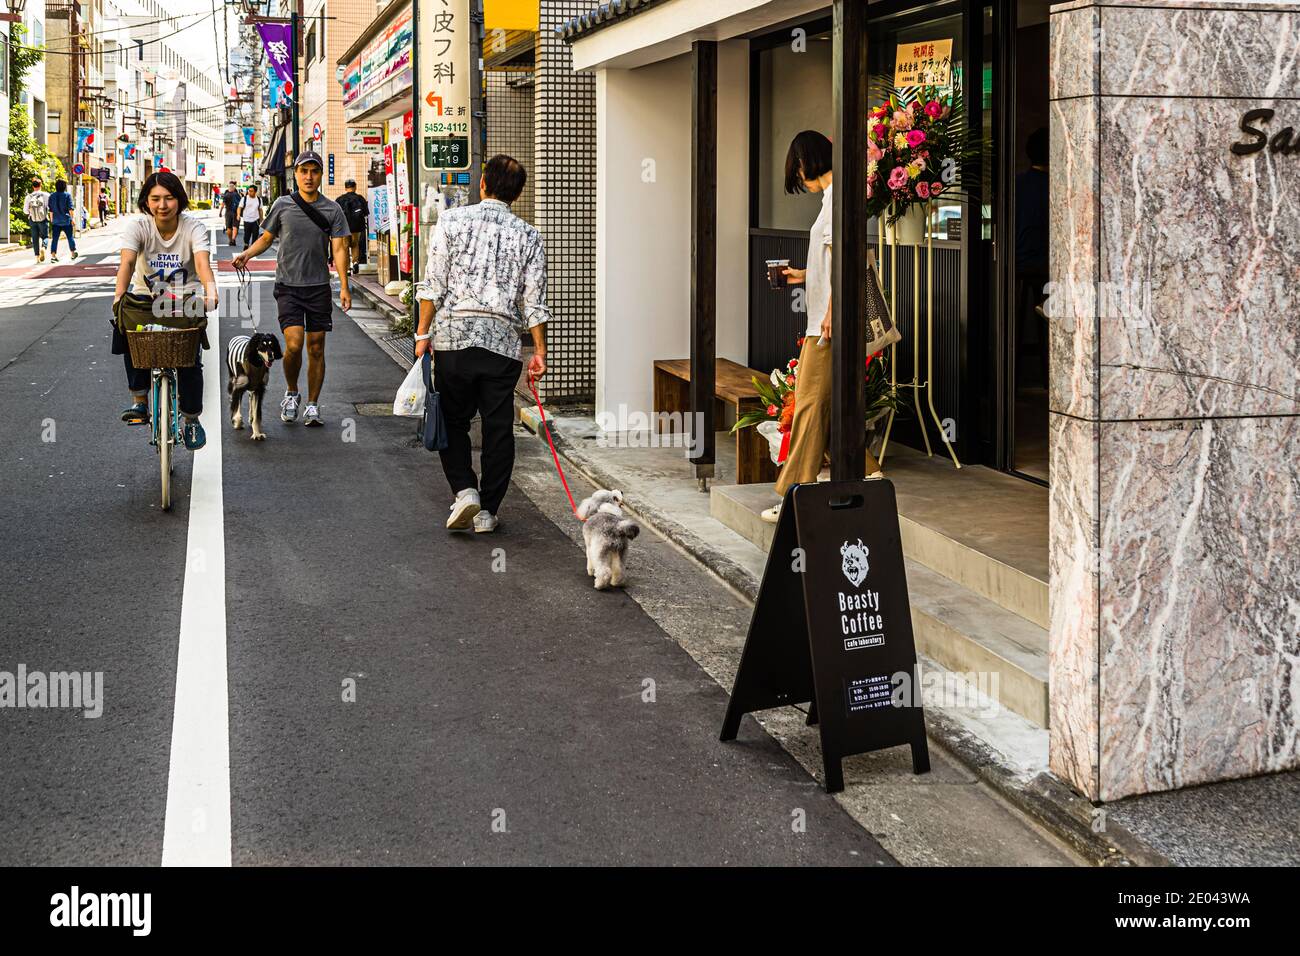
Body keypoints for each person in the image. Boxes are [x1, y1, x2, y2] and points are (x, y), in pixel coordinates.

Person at [414, 154, 549, 534]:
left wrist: (423, 335)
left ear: (483, 185)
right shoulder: (529, 235)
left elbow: (433, 284)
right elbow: (534, 302)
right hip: (502, 346)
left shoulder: (452, 221)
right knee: (497, 427)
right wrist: (539, 351)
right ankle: (488, 511)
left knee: (452, 421)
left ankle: (464, 491)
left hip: (453, 340)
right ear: (517, 195)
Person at [761, 131, 882, 524]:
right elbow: (835, 263)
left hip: (826, 323)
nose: (800, 178)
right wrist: (803, 275)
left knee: (810, 405)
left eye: (797, 169)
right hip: (825, 317)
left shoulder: (836, 200)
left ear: (804, 163)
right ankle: (871, 472)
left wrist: (832, 310)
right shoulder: (835, 197)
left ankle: (794, 493)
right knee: (827, 405)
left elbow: (848, 261)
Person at [233, 151, 351, 428]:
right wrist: (247, 254)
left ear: (320, 174)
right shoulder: (282, 205)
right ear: (296, 174)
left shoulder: (333, 209)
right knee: (295, 344)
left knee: (317, 348)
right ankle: (291, 392)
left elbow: (339, 248)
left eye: (314, 171)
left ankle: (311, 404)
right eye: (303, 171)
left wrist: (344, 286)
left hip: (319, 287)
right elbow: (266, 238)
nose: (309, 177)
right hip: (288, 286)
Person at [110, 172, 218, 450]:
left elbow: (203, 263)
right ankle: (139, 401)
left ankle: (191, 419)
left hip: (186, 301)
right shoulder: (138, 227)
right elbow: (127, 263)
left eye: (169, 198)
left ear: (179, 200)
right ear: (146, 201)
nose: (162, 205)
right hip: (145, 300)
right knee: (126, 329)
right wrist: (119, 296)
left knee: (190, 359)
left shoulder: (193, 227)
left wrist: (211, 291)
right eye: (155, 198)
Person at [335, 179, 369, 274]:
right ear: (355, 187)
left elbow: (336, 215)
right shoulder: (360, 198)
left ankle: (347, 269)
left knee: (345, 247)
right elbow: (366, 213)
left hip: (343, 228)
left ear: (345, 188)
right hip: (357, 227)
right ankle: (355, 262)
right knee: (355, 245)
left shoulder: (340, 200)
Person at [47, 180, 77, 262]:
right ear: (64, 187)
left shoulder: (52, 196)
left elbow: (51, 210)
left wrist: (52, 220)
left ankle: (53, 256)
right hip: (66, 220)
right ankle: (73, 253)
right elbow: (70, 209)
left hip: (56, 221)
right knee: (70, 237)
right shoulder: (67, 195)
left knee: (55, 239)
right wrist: (72, 219)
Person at [23, 184, 50, 263]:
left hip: (32, 219)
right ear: (40, 185)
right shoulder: (46, 195)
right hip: (43, 219)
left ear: (33, 186)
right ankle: (43, 248)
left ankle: (37, 257)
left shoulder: (29, 197)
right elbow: (49, 207)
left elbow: (25, 211)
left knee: (35, 238)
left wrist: (30, 212)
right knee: (45, 236)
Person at [237, 185, 263, 250]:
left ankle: (253, 247)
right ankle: (246, 244)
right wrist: (238, 215)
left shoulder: (259, 199)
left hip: (256, 219)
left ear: (255, 192)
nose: (249, 192)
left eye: (251, 191)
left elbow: (260, 210)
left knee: (255, 234)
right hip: (247, 219)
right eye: (249, 191)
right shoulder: (244, 199)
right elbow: (239, 207)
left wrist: (261, 219)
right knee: (247, 234)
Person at [222, 181, 242, 245]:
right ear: (234, 188)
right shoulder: (237, 194)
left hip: (228, 212)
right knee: (235, 226)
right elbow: (241, 204)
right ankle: (233, 239)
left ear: (228, 188)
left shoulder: (226, 195)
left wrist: (220, 212)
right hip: (236, 212)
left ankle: (230, 240)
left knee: (229, 227)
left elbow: (223, 204)